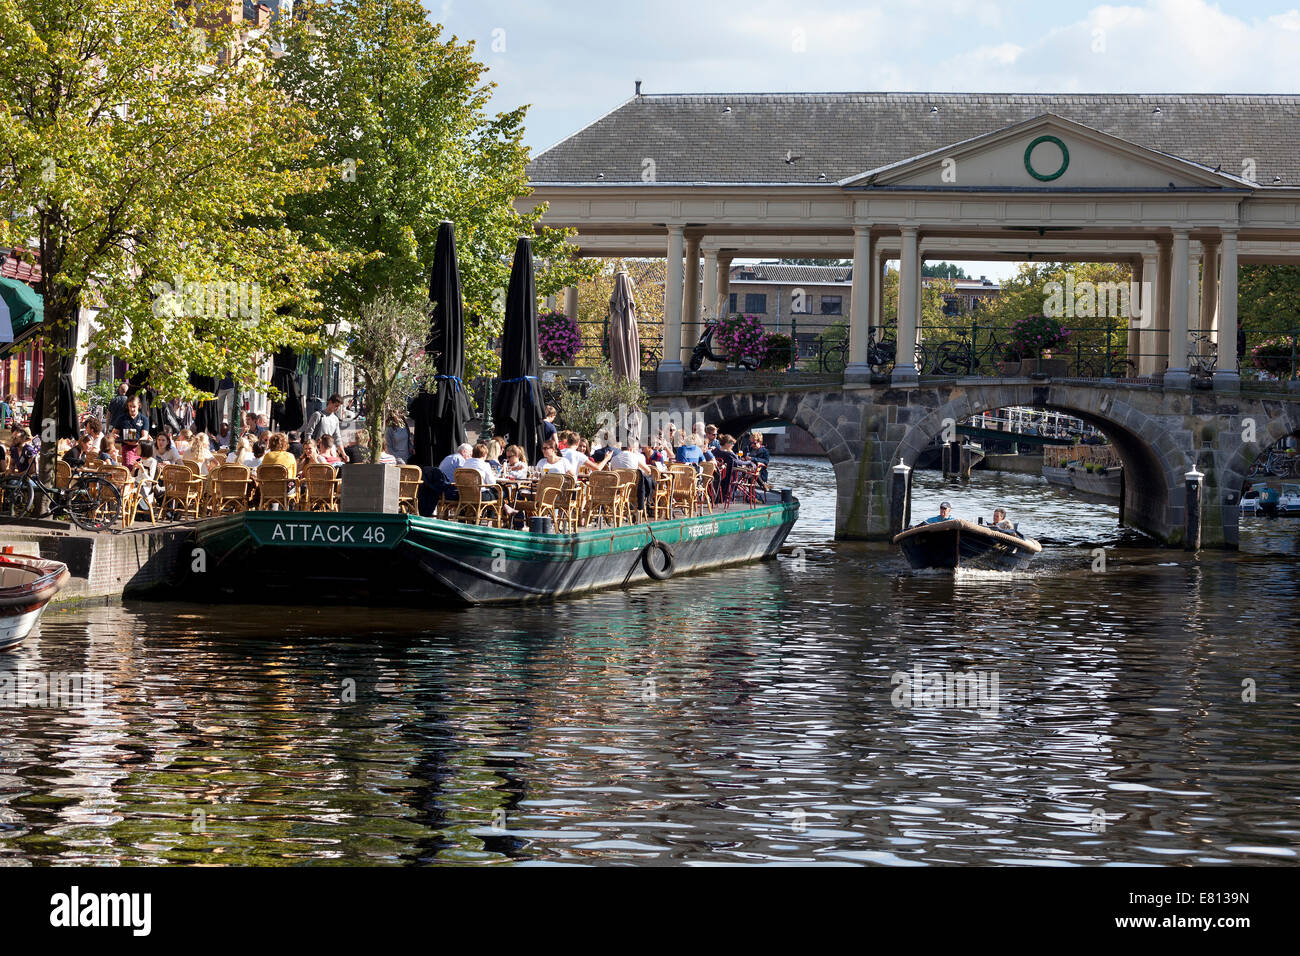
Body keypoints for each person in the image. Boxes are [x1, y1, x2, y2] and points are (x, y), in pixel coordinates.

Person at [112, 394, 150, 468]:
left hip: (140, 449)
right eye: (130, 406)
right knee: (128, 469)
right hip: (127, 448)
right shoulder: (122, 418)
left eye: (134, 406)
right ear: (127, 406)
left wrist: (138, 441)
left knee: (139, 470)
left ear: (139, 406)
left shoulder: (143, 419)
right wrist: (114, 436)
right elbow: (113, 433)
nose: (132, 409)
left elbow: (145, 436)